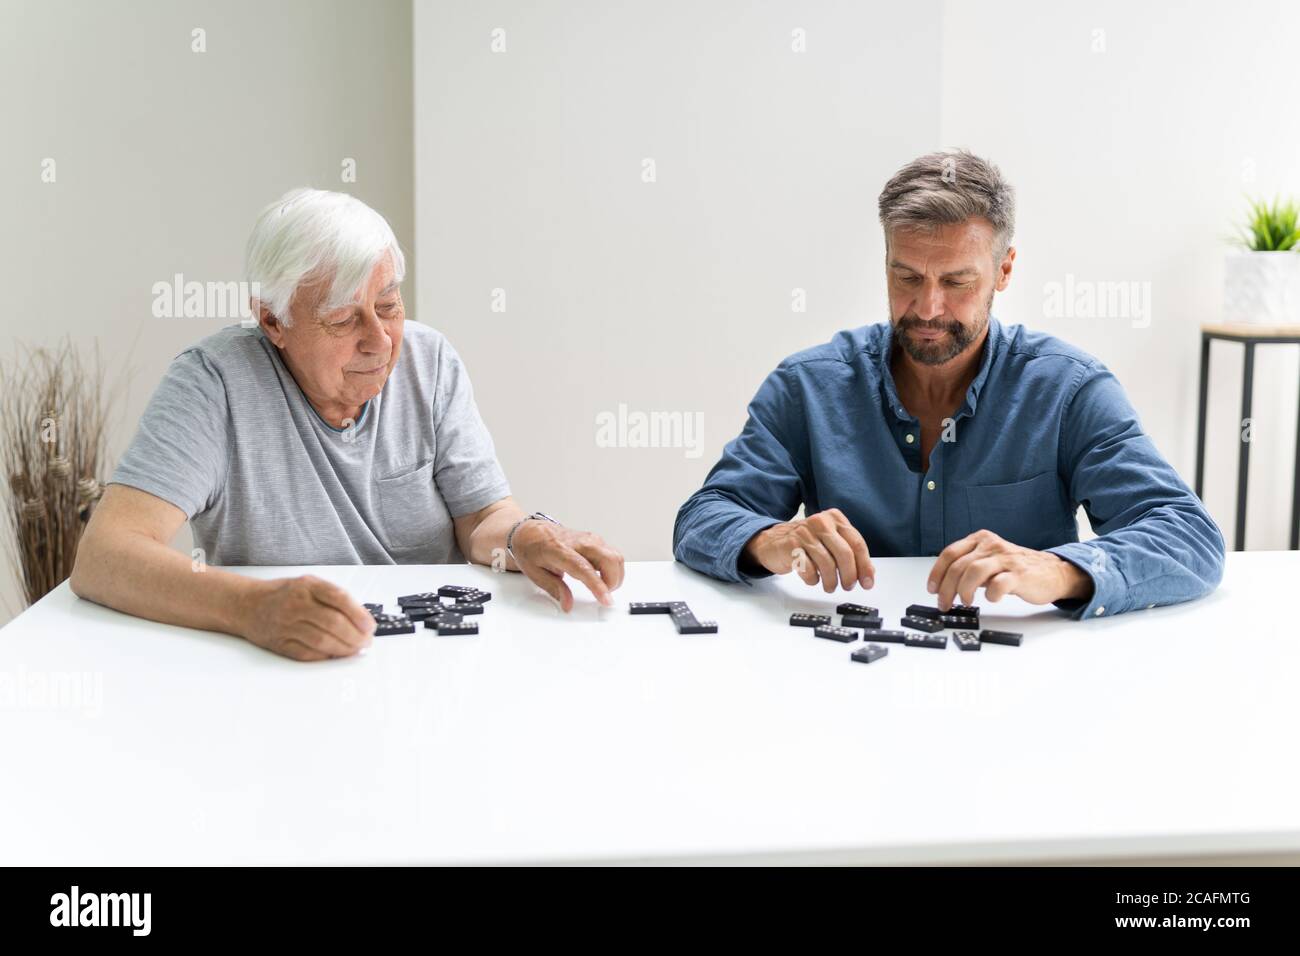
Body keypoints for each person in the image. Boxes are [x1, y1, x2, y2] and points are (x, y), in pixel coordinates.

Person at [71, 188, 624, 660]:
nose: (380, 341)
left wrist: (525, 534)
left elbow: (481, 519)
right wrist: (248, 607)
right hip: (280, 662)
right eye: (342, 319)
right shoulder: (213, 382)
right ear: (273, 321)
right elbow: (105, 556)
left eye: (387, 306)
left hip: (427, 656)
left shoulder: (430, 363)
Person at [673, 150, 1224, 619]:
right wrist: (770, 540)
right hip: (842, 682)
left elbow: (1188, 536)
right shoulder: (806, 387)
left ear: (1004, 271)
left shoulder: (1069, 390)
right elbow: (703, 517)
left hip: (1024, 681)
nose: (928, 308)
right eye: (906, 276)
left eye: (957, 281)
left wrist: (1060, 571)